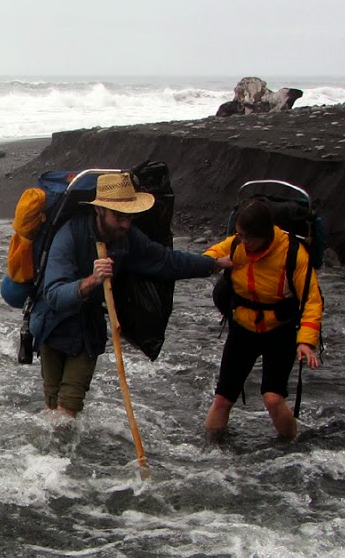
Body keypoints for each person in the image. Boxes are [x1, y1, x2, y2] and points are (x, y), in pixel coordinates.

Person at [28, 172, 230, 418]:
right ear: (100, 210)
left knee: (68, 407)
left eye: (130, 217)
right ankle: (56, 454)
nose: (126, 223)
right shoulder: (69, 235)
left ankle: (65, 451)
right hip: (51, 325)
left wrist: (214, 264)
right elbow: (54, 295)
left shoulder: (128, 238)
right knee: (52, 406)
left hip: (86, 331)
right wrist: (91, 281)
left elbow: (165, 261)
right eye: (119, 216)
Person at [203, 198, 323, 441]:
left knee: (272, 398)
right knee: (222, 398)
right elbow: (209, 255)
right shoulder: (237, 244)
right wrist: (215, 263)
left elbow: (312, 301)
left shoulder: (293, 254)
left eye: (249, 238)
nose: (243, 242)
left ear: (266, 234)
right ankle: (210, 450)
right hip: (242, 329)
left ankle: (291, 447)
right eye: (240, 235)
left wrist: (306, 343)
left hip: (279, 331)